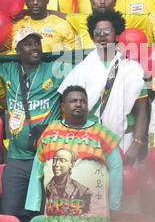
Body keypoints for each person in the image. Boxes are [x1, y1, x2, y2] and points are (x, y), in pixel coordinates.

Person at [26, 84, 123, 222]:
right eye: (73, 101)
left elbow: (117, 168)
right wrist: (33, 202)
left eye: (83, 101)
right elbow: (37, 166)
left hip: (93, 214)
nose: (79, 104)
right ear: (63, 106)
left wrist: (115, 204)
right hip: (58, 216)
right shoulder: (51, 132)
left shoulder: (101, 133)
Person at [0, 27, 64, 222]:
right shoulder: (8, 68)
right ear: (18, 49)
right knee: (10, 213)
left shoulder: (54, 68)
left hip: (47, 158)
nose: (35, 48)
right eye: (28, 44)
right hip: (16, 158)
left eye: (37, 43)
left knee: (44, 212)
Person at [59, 10, 149, 161]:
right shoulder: (81, 69)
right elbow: (67, 110)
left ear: (117, 35)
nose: (102, 35)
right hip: (87, 141)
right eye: (97, 32)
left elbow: (142, 111)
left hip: (124, 140)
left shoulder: (132, 68)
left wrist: (137, 144)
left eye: (107, 31)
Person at [13, 0, 80, 51]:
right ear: (26, 1)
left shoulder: (62, 25)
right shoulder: (18, 26)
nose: (35, 2)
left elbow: (74, 56)